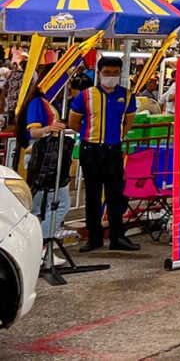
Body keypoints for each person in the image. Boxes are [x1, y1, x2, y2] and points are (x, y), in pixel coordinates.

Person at [68, 55, 140, 252]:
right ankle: (94, 237)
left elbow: (128, 122)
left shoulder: (126, 96)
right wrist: (89, 135)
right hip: (90, 149)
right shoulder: (86, 95)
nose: (111, 76)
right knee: (92, 194)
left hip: (113, 151)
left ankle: (118, 237)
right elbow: (73, 122)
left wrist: (116, 138)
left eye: (115, 73)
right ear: (98, 73)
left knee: (116, 195)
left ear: (120, 74)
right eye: (107, 73)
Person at [17, 83, 74, 240]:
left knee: (43, 206)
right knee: (57, 203)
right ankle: (41, 242)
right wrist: (49, 129)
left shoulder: (52, 102)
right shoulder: (38, 102)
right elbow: (34, 132)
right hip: (42, 159)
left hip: (51, 158)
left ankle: (39, 244)